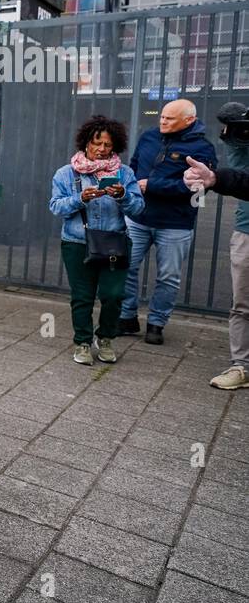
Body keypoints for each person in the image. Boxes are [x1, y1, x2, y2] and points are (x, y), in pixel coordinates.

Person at [119, 99, 217, 345]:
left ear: (189, 121)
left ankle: (156, 324)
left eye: (170, 118)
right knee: (124, 267)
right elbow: (133, 167)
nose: (162, 121)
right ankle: (127, 317)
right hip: (138, 217)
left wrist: (152, 186)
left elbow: (197, 189)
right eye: (162, 116)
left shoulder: (202, 148)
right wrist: (133, 188)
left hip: (175, 224)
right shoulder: (149, 137)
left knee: (168, 277)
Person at [50, 116, 146, 366]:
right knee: (82, 296)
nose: (102, 149)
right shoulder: (66, 173)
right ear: (86, 143)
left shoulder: (125, 173)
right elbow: (56, 207)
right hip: (76, 242)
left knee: (114, 295)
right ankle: (82, 342)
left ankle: (105, 338)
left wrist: (123, 195)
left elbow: (138, 209)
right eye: (97, 144)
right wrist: (80, 198)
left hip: (114, 242)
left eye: (108, 145)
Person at [182, 106, 249, 388]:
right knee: (243, 305)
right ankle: (242, 366)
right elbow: (240, 173)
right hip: (248, 231)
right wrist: (214, 178)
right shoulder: (241, 138)